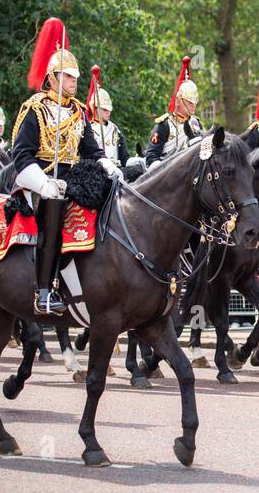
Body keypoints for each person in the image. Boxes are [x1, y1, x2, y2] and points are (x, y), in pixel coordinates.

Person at [11, 17, 120, 316]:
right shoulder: (35, 108)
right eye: (69, 77)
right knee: (54, 210)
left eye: (75, 77)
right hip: (39, 180)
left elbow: (91, 149)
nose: (75, 82)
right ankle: (44, 291)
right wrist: (44, 183)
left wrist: (107, 166)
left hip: (72, 180)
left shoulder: (79, 113)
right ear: (53, 78)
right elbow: (21, 156)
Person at [146, 56, 203, 168]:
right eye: (189, 102)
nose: (193, 106)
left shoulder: (196, 123)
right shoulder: (165, 125)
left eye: (194, 102)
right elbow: (152, 156)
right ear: (178, 101)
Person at [89, 85, 131, 166]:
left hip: (117, 170)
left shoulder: (114, 129)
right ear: (95, 108)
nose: (108, 112)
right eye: (104, 109)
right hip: (97, 170)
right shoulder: (89, 129)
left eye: (109, 110)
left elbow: (124, 156)